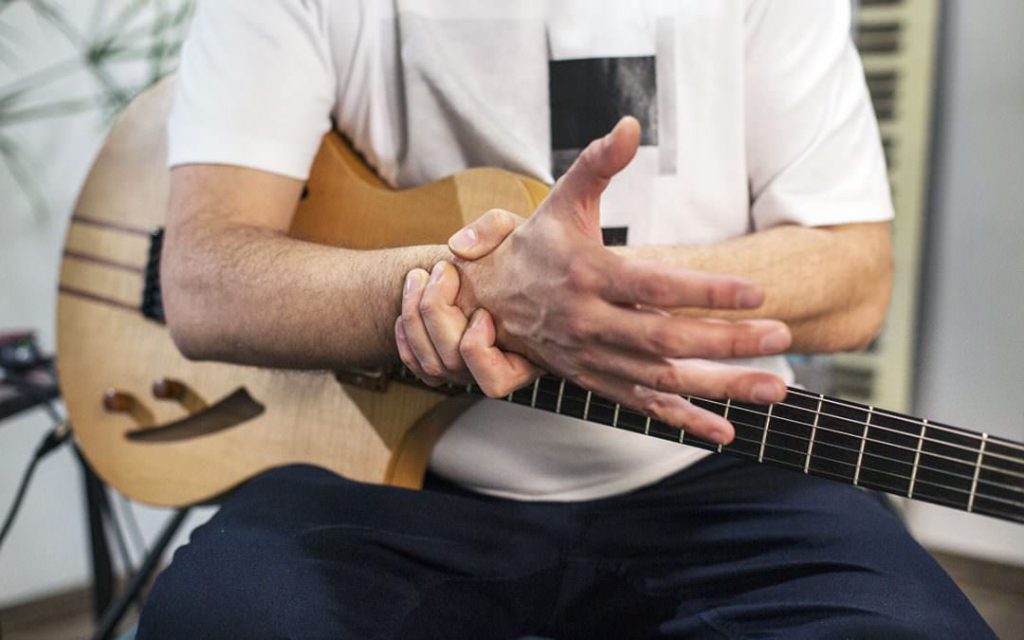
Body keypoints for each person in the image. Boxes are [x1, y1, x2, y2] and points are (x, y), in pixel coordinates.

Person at [137, 1, 993, 638]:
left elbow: (854, 278)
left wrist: (584, 295)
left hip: (726, 473)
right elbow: (206, 282)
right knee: (219, 616)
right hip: (385, 486)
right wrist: (469, 287)